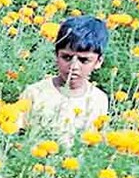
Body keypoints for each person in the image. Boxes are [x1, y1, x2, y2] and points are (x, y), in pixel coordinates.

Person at [16, 16, 109, 146]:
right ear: (56, 55)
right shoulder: (35, 93)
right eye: (66, 57)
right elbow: (15, 138)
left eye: (84, 60)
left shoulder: (99, 99)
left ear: (98, 62)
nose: (73, 66)